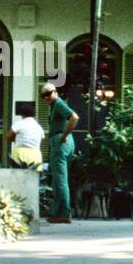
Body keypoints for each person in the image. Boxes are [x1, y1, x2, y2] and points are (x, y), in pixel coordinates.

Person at [40, 82, 78, 223]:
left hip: (60, 141)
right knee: (59, 179)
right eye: (43, 95)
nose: (46, 97)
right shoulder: (55, 105)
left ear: (55, 92)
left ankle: (64, 213)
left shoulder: (58, 104)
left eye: (48, 93)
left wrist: (64, 135)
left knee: (60, 179)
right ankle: (58, 212)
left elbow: (74, 117)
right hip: (65, 142)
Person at [5, 102, 45, 168]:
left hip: (20, 153)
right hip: (35, 154)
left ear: (22, 114)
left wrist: (16, 139)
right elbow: (41, 139)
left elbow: (8, 137)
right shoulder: (39, 127)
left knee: (18, 173)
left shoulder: (19, 124)